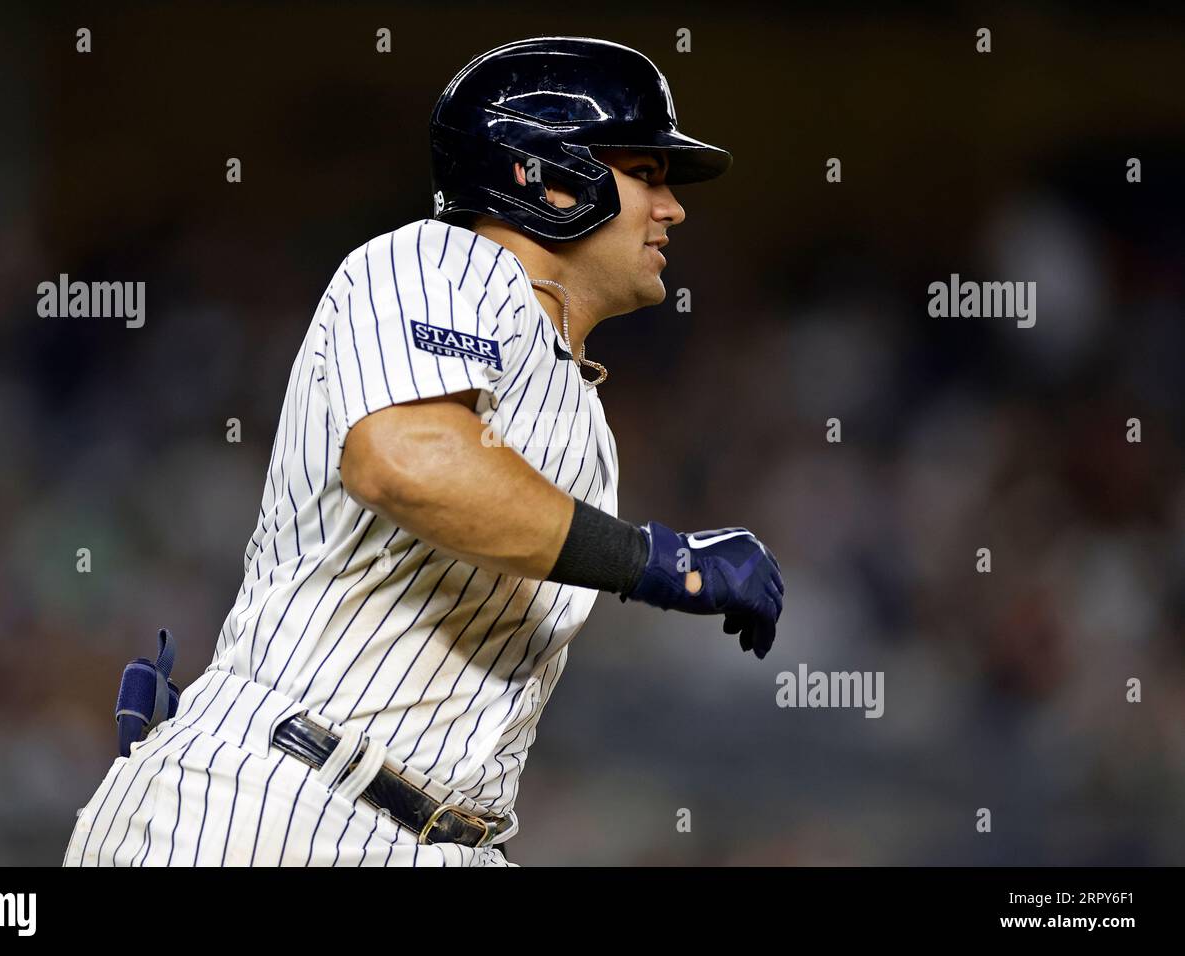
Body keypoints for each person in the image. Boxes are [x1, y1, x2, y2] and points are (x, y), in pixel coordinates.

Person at [64, 35, 784, 868]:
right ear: (547, 176)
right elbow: (403, 459)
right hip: (285, 799)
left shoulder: (582, 417)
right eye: (647, 175)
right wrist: (658, 561)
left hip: (436, 836)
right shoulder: (438, 260)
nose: (673, 209)